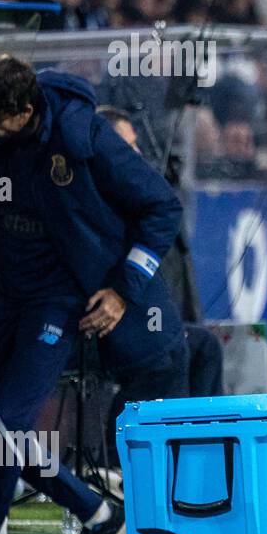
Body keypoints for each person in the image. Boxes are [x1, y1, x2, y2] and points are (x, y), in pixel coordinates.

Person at [0, 55, 186, 534]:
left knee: (6, 423)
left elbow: (162, 207)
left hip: (58, 298)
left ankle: (99, 514)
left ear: (27, 110)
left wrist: (125, 290)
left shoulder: (85, 135)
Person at [97, 106, 221, 400]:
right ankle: (164, 438)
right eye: (128, 146)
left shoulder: (140, 198)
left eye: (136, 144)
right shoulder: (105, 203)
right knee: (169, 351)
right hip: (114, 322)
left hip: (143, 316)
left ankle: (199, 438)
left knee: (203, 345)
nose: (138, 153)